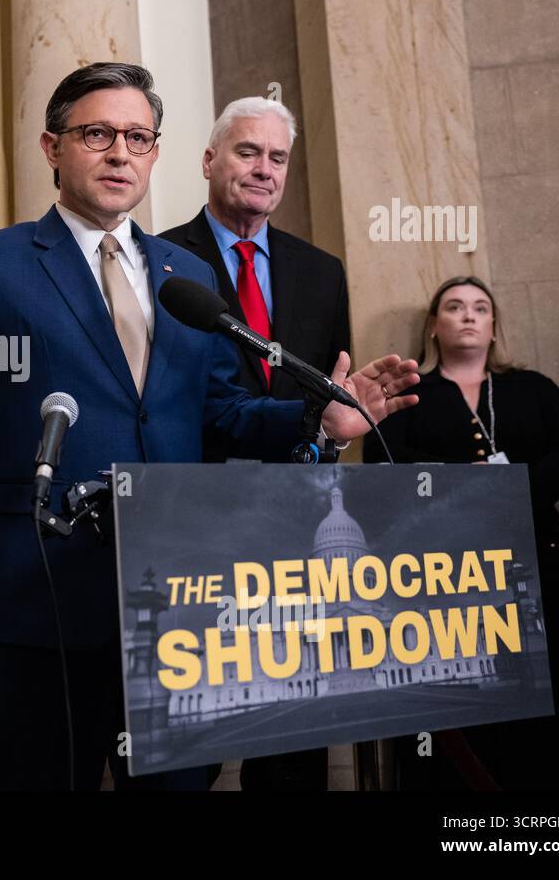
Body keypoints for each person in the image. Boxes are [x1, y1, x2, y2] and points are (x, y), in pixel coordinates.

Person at [0, 62, 419, 790]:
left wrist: (319, 419)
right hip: (43, 594)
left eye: (138, 137)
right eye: (98, 134)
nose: (120, 154)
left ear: (156, 154)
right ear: (52, 147)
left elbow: (223, 412)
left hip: (177, 601)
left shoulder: (185, 277)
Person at [160, 96, 349, 791]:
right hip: (198, 524)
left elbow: (330, 383)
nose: (263, 169)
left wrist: (334, 440)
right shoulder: (161, 259)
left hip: (301, 526)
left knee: (293, 733)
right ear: (209, 160)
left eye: (277, 158)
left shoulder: (321, 270)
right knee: (193, 739)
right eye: (247, 152)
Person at [364, 275, 559, 790]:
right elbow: (385, 464)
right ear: (434, 326)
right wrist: (458, 491)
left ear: (494, 326)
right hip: (444, 576)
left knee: (549, 689)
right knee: (461, 697)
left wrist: (503, 488)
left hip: (536, 564)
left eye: (480, 308)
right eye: (454, 307)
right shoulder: (410, 394)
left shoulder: (533, 388)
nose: (469, 315)